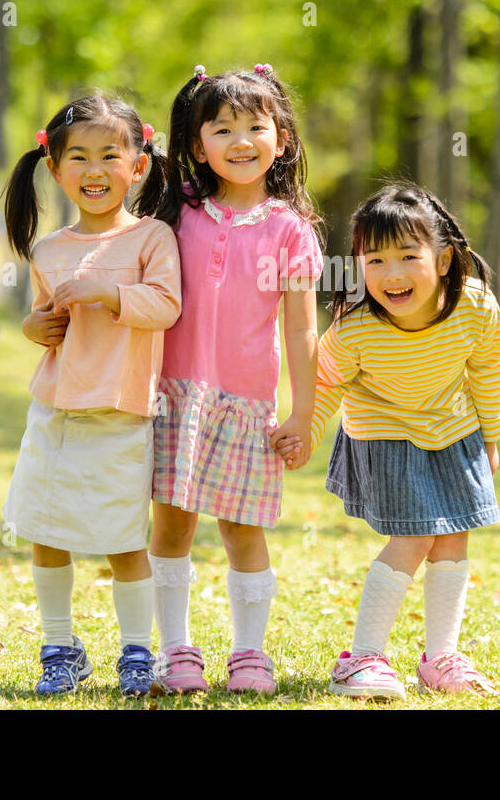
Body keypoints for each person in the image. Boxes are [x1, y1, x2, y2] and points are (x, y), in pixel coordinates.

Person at [281, 182, 500, 700]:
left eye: (409, 256)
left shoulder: (474, 307)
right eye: (375, 260)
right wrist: (305, 434)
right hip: (384, 433)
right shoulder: (356, 328)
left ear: (444, 258)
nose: (393, 274)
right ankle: (361, 657)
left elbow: (487, 370)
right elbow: (325, 386)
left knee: (454, 537)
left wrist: (492, 437)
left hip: (455, 429)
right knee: (414, 537)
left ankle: (440, 657)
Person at [147, 63, 322, 694]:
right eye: (222, 129)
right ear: (197, 146)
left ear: (282, 138)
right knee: (171, 526)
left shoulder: (288, 229)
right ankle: (175, 651)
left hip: (248, 407)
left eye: (256, 125)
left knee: (243, 529)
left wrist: (302, 413)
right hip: (171, 401)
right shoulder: (176, 216)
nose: (241, 140)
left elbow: (301, 331)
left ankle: (249, 653)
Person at [4, 93, 181, 697]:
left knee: (125, 539)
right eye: (78, 157)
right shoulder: (50, 250)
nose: (95, 170)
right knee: (46, 532)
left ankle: (136, 650)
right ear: (54, 169)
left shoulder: (153, 238)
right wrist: (34, 327)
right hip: (55, 413)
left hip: (122, 415)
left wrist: (107, 293)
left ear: (139, 165)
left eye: (111, 155)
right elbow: (41, 319)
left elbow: (165, 306)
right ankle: (59, 645)